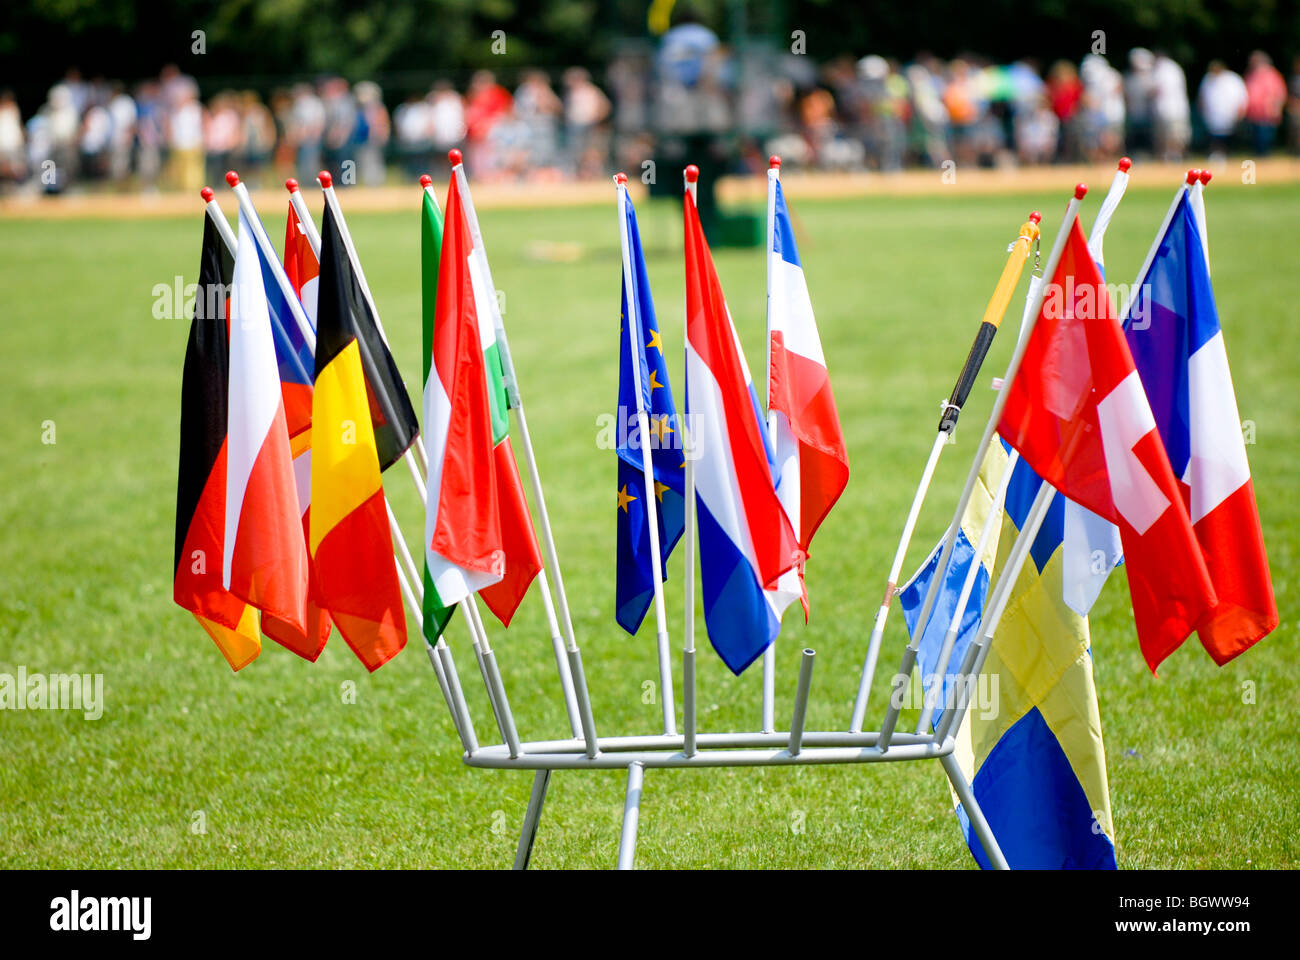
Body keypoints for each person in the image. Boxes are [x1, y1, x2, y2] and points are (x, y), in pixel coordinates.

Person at [1199, 59, 1246, 161]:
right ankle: (1217, 156)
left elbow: (1242, 97)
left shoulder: (1233, 79)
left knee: (1229, 139)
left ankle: (1229, 156)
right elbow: (1202, 98)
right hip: (1213, 118)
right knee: (1215, 140)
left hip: (1230, 117)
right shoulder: (1208, 79)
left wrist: (1240, 112)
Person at [1244, 51, 1287, 156]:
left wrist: (1275, 109)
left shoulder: (1271, 75)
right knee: (1256, 140)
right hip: (1254, 114)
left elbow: (1279, 94)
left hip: (1267, 114)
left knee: (1265, 139)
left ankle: (1265, 158)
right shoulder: (1251, 75)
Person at [1151, 51, 1191, 161]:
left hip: (1167, 109)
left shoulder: (1162, 70)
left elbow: (1156, 89)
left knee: (1169, 135)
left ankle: (1170, 156)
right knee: (1176, 135)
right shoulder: (1175, 68)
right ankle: (1175, 156)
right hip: (1177, 108)